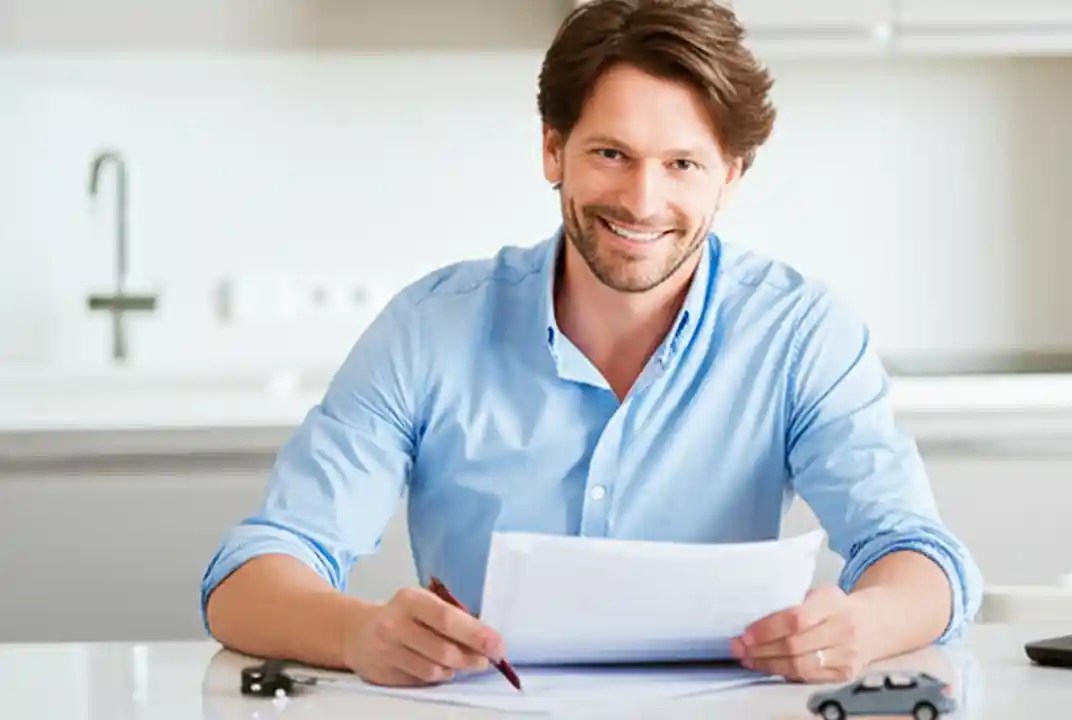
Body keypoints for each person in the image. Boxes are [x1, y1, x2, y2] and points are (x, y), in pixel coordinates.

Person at [201, 0, 982, 687]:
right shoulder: (429, 329)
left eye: (681, 164)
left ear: (730, 177)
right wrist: (357, 633)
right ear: (553, 151)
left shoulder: (800, 334)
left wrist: (862, 625)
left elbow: (923, 558)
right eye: (611, 154)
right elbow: (252, 574)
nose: (643, 201)